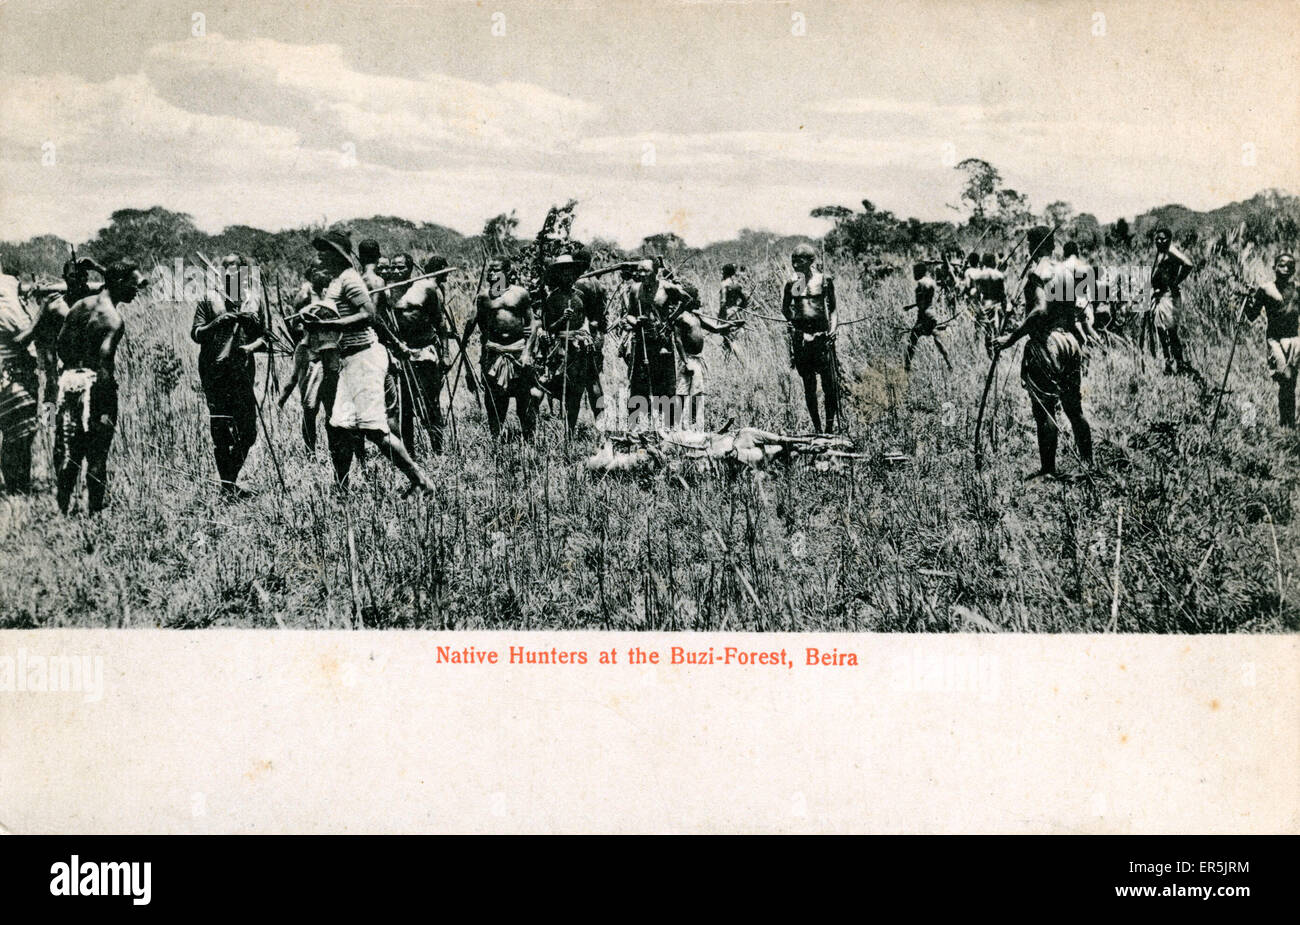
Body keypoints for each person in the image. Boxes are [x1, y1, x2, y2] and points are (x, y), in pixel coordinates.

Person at [301, 230, 434, 494]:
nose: (320, 257)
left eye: (324, 252)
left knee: (374, 429)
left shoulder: (350, 279)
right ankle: (341, 490)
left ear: (336, 254)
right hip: (349, 360)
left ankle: (421, 481)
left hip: (364, 358)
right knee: (338, 426)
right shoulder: (337, 281)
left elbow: (369, 314)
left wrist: (331, 323)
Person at [994, 226, 1094, 479]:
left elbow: (1039, 311)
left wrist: (1010, 338)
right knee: (1074, 409)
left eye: (1029, 244)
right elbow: (1073, 315)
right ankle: (1088, 464)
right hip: (1069, 342)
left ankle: (1049, 470)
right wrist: (1077, 344)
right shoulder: (1067, 273)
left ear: (1033, 246)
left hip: (1047, 344)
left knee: (1045, 409)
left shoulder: (1038, 274)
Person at [55, 262, 144, 513]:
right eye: (132, 284)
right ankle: (94, 514)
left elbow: (61, 344)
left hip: (69, 381)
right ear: (118, 283)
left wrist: (74, 369)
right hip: (96, 387)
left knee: (72, 450)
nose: (136, 289)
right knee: (97, 455)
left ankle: (63, 512)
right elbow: (105, 362)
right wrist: (105, 404)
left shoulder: (79, 305)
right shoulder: (114, 320)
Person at [191, 253, 265, 498]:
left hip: (243, 372)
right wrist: (218, 322)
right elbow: (196, 333)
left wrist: (249, 347)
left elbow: (265, 339)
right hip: (216, 373)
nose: (232, 275)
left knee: (249, 433)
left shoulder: (253, 300)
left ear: (245, 274)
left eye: (237, 271)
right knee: (221, 432)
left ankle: (228, 482)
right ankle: (228, 487)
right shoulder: (209, 299)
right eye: (227, 271)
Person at [385, 253, 452, 454]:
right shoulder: (387, 292)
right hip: (401, 354)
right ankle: (410, 452)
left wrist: (446, 354)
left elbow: (440, 323)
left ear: (411, 268)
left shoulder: (426, 289)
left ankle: (437, 449)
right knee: (405, 407)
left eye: (401, 268)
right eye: (393, 268)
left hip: (425, 352)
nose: (396, 271)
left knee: (430, 403)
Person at [475, 257, 538, 439]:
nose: (492, 274)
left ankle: (529, 440)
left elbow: (532, 324)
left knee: (524, 399)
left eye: (497, 270)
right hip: (495, 353)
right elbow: (482, 328)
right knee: (495, 400)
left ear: (509, 272)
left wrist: (527, 353)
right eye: (490, 270)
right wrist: (485, 354)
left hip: (518, 352)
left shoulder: (520, 294)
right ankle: (496, 440)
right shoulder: (484, 297)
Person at [781, 243, 840, 432]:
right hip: (803, 341)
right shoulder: (795, 283)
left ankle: (830, 429)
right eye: (793, 260)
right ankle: (818, 429)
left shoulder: (824, 280)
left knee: (829, 384)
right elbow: (788, 308)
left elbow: (832, 309)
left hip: (823, 338)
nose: (796, 264)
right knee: (809, 386)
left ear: (811, 261)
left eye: (800, 260)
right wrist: (795, 323)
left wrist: (833, 328)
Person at [622, 258, 686, 429]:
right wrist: (635, 322)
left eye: (646, 271)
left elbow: (687, 300)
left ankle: (670, 429)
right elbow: (629, 314)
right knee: (637, 386)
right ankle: (634, 429)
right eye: (639, 270)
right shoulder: (635, 289)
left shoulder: (667, 288)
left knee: (665, 387)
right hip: (642, 343)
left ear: (656, 272)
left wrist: (670, 321)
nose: (641, 274)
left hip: (662, 344)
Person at [673, 285, 741, 429]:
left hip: (698, 360)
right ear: (688, 299)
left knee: (697, 393)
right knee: (682, 392)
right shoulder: (680, 318)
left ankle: (693, 425)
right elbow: (678, 340)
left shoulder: (696, 317)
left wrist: (733, 325)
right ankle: (676, 426)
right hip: (688, 360)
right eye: (696, 297)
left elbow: (715, 329)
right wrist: (686, 362)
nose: (698, 300)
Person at [1244, 253, 1298, 428]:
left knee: (1290, 382)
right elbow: (1252, 315)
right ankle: (1286, 423)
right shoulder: (1266, 289)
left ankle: (1288, 423)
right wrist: (1247, 301)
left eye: (1290, 265)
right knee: (1286, 377)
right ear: (1274, 267)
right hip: (1275, 340)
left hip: (1294, 340)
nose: (1285, 268)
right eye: (1281, 265)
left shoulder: (1297, 289)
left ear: (1294, 269)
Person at [0, 269, 40, 493]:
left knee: (20, 434)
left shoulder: (10, 301)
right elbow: (21, 337)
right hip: (10, 376)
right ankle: (17, 487)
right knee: (17, 435)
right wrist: (42, 315)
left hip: (19, 374)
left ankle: (19, 486)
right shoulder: (5, 306)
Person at [569, 244, 608, 424]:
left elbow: (579, 314)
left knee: (576, 384)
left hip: (583, 337)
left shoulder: (579, 283)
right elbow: (601, 316)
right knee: (593, 380)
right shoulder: (597, 283)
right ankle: (600, 422)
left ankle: (571, 430)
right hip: (597, 336)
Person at [1148, 227, 1195, 373]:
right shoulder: (1161, 252)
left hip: (1169, 297)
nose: (1159, 241)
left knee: (1170, 332)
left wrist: (1175, 282)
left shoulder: (1170, 250)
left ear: (1169, 239)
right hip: (1161, 296)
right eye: (1157, 239)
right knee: (1162, 331)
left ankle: (1179, 363)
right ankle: (1169, 363)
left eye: (1163, 238)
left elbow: (1188, 264)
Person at [903, 262, 954, 373]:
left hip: (924, 316)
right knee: (938, 341)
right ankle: (950, 364)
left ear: (919, 271)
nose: (914, 275)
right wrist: (911, 306)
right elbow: (927, 301)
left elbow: (920, 303)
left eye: (915, 272)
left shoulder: (920, 284)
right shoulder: (931, 282)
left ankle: (907, 368)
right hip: (932, 314)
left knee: (912, 341)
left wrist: (916, 313)